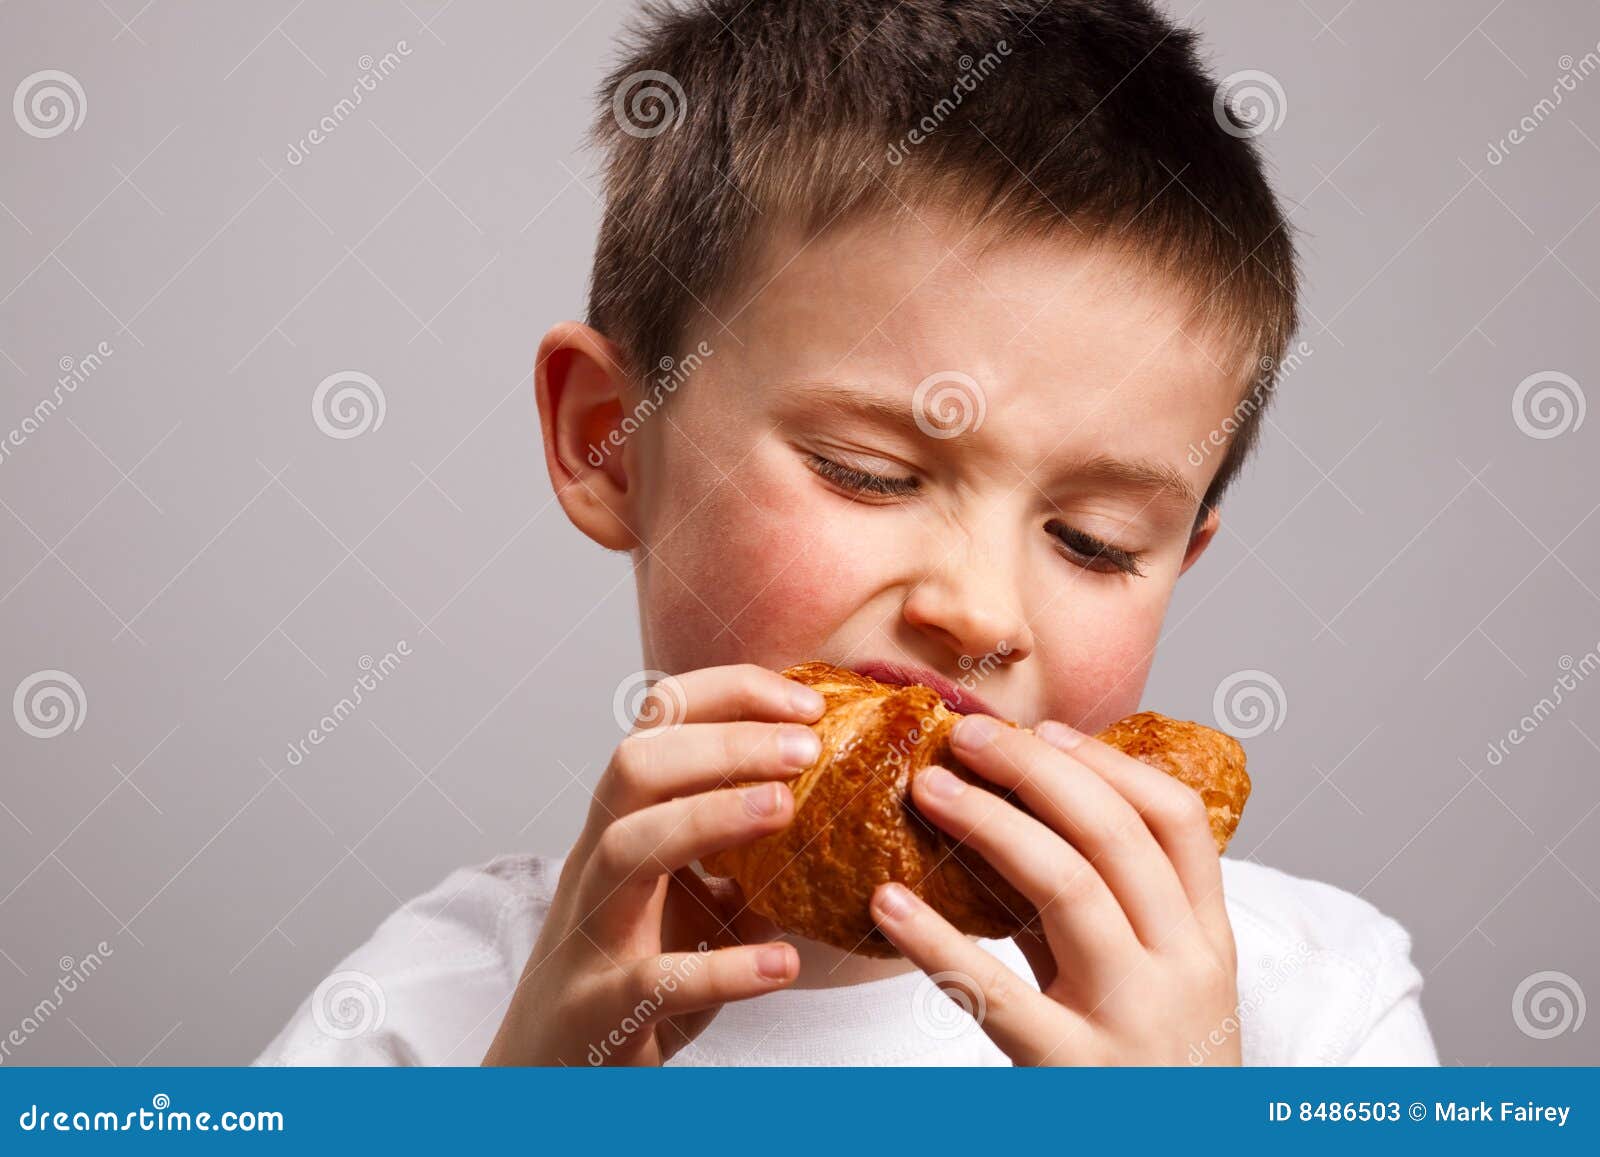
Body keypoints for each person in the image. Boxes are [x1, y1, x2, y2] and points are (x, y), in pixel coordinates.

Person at [258, 0, 1437, 1067]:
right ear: (610, 441)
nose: (977, 610)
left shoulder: (1306, 1007)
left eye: (1093, 539)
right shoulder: (430, 1021)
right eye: (866, 473)